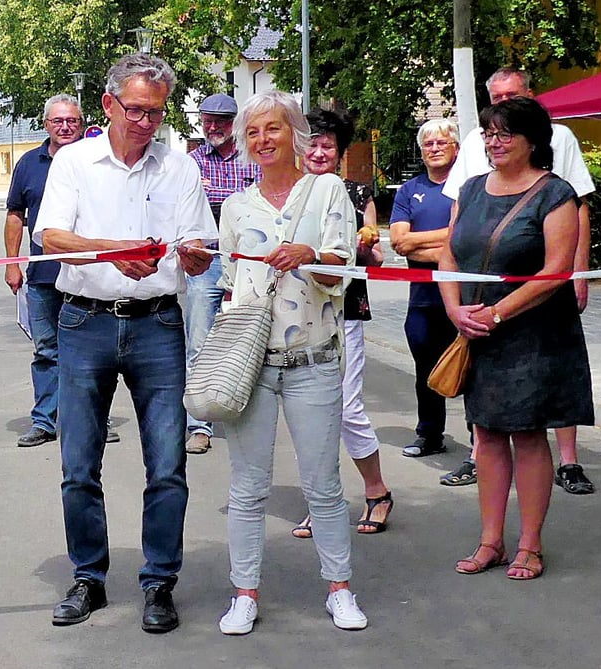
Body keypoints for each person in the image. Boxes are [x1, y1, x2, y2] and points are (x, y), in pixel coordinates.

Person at [34, 53, 216, 633]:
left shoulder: (179, 166)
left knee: (167, 463)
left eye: (155, 113)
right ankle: (88, 576)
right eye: (134, 109)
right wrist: (116, 250)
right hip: (84, 322)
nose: (145, 122)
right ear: (109, 104)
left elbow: (200, 243)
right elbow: (52, 235)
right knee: (78, 463)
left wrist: (192, 255)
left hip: (158, 323)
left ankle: (159, 583)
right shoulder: (74, 161)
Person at [216, 91, 366, 636]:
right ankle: (245, 593)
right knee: (247, 488)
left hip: (315, 360)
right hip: (253, 364)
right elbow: (231, 287)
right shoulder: (235, 207)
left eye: (273, 129)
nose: (263, 140)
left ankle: (340, 588)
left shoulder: (326, 191)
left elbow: (341, 276)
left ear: (294, 133)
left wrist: (312, 256)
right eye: (252, 132)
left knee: (322, 484)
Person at [442, 97, 593, 580]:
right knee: (485, 433)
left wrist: (497, 313)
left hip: (534, 333)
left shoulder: (556, 193)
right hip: (478, 329)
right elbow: (449, 257)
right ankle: (491, 541)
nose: (494, 142)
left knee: (528, 434)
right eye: (488, 133)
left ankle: (530, 544)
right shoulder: (469, 188)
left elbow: (556, 270)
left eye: (505, 133)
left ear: (533, 140)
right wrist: (455, 309)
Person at [290, 108, 391, 539]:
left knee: (346, 407)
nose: (317, 151)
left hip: (344, 310)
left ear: (339, 152)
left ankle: (377, 491)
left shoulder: (355, 192)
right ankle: (323, 502)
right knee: (312, 412)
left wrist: (366, 246)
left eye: (327, 145)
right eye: (310, 142)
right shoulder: (290, 192)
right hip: (297, 312)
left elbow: (374, 252)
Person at [5, 94, 122, 446]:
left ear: (82, 122)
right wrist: (13, 263)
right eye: (58, 121)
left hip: (89, 276)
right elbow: (15, 214)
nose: (66, 126)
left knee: (92, 351)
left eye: (72, 120)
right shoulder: (29, 163)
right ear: (46, 125)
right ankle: (44, 420)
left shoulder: (99, 161)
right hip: (42, 277)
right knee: (46, 350)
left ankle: (94, 420)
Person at [389, 120, 474, 483]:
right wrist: (447, 244)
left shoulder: (468, 187)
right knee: (425, 368)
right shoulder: (409, 190)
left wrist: (431, 244)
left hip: (464, 298)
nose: (435, 148)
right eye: (428, 143)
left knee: (472, 370)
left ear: (455, 147)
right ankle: (430, 434)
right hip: (422, 299)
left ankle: (478, 444)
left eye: (442, 142)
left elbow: (466, 240)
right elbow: (398, 241)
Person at [184, 93, 261, 455]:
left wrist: (217, 198)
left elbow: (260, 205)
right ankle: (199, 425)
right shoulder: (192, 161)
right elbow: (187, 207)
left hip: (250, 261)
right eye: (207, 120)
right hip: (207, 259)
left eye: (221, 121)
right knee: (199, 342)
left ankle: (244, 417)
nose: (213, 127)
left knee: (249, 339)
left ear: (236, 124)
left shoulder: (254, 159)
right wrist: (233, 199)